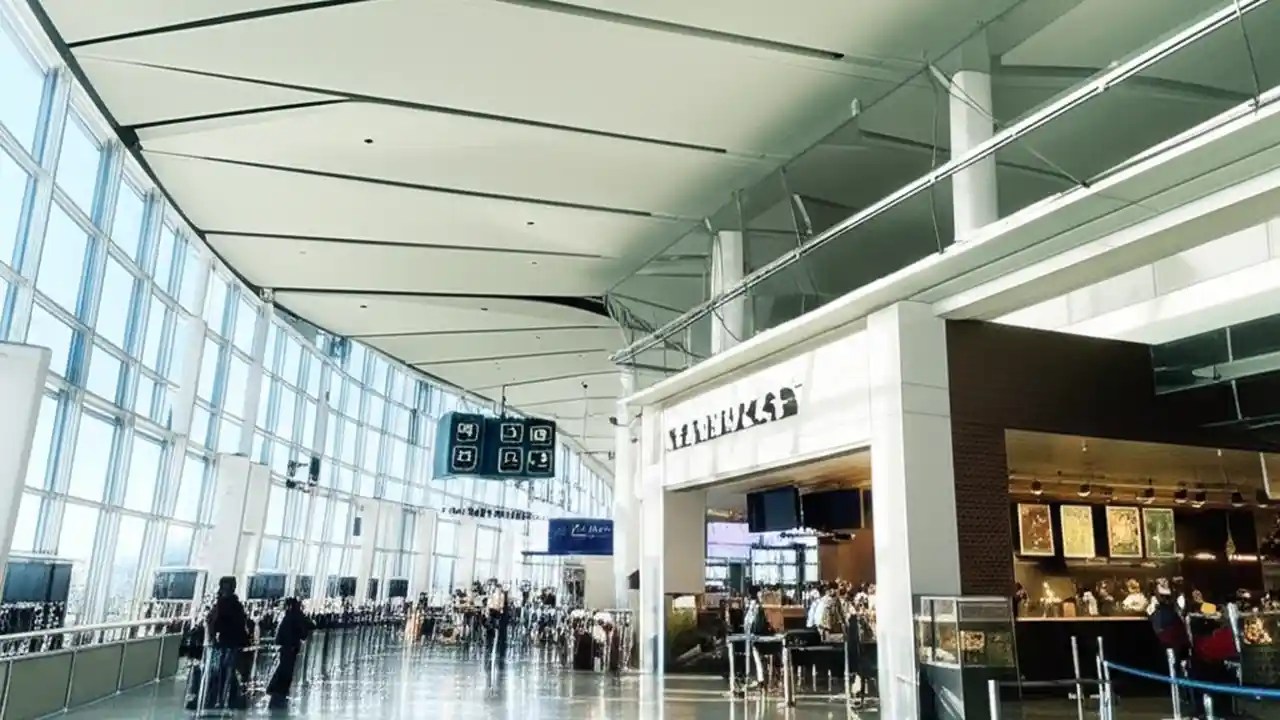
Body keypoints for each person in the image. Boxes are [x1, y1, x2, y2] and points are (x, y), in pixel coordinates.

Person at [205, 577, 251, 710]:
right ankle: (228, 698)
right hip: (227, 644)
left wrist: (214, 636)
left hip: (226, 644)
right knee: (226, 671)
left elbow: (214, 622)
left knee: (222, 671)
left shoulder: (225, 604)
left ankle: (218, 699)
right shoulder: (232, 605)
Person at [267, 598, 315, 708]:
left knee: (283, 667)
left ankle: (275, 688)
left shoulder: (287, 617)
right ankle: (280, 689)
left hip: (286, 647)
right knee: (287, 669)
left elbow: (280, 634)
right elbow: (307, 628)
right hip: (292, 647)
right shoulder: (297, 617)